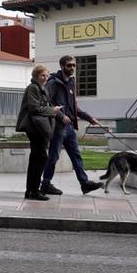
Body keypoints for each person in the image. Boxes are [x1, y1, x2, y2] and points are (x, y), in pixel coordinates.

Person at [41, 56, 102, 196]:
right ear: (62, 66)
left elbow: (74, 107)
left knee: (76, 156)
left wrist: (89, 118)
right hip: (57, 127)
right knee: (53, 157)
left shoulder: (71, 82)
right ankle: (45, 184)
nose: (72, 68)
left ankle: (84, 184)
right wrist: (61, 116)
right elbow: (45, 103)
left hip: (69, 128)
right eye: (69, 65)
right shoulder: (53, 83)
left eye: (74, 65)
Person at [17, 64, 64, 201]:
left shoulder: (42, 88)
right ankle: (33, 190)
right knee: (40, 157)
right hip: (35, 128)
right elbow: (34, 108)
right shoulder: (33, 88)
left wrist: (53, 110)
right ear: (36, 76)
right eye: (42, 75)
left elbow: (41, 106)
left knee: (37, 158)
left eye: (47, 76)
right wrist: (52, 111)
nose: (45, 78)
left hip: (39, 128)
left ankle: (31, 190)